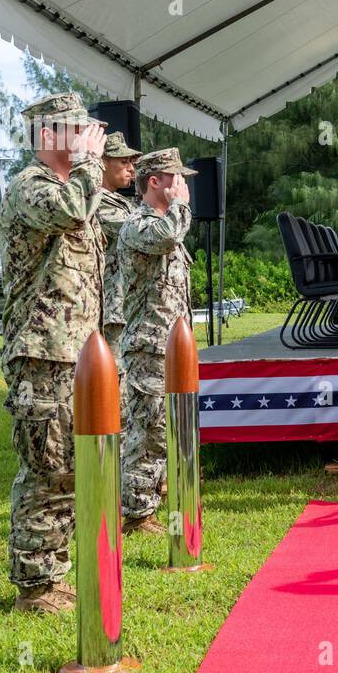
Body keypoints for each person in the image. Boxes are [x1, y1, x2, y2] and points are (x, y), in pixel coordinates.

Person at [0, 92, 107, 613]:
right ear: (47, 136)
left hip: (73, 354)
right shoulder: (32, 187)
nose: (89, 138)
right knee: (48, 468)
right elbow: (72, 210)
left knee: (68, 467)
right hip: (42, 354)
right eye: (77, 129)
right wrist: (89, 164)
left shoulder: (72, 187)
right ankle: (35, 586)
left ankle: (52, 573)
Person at [117, 148, 196, 534]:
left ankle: (150, 503)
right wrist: (180, 206)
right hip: (148, 346)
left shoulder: (166, 223)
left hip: (170, 347)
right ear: (154, 182)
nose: (181, 186)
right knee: (149, 431)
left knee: (166, 428)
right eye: (174, 179)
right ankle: (136, 513)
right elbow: (166, 237)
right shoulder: (139, 225)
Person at [97, 131, 139, 360]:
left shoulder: (121, 201)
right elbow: (141, 234)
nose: (131, 169)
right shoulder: (95, 200)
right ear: (103, 162)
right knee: (114, 375)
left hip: (126, 305)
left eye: (131, 162)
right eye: (124, 162)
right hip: (110, 309)